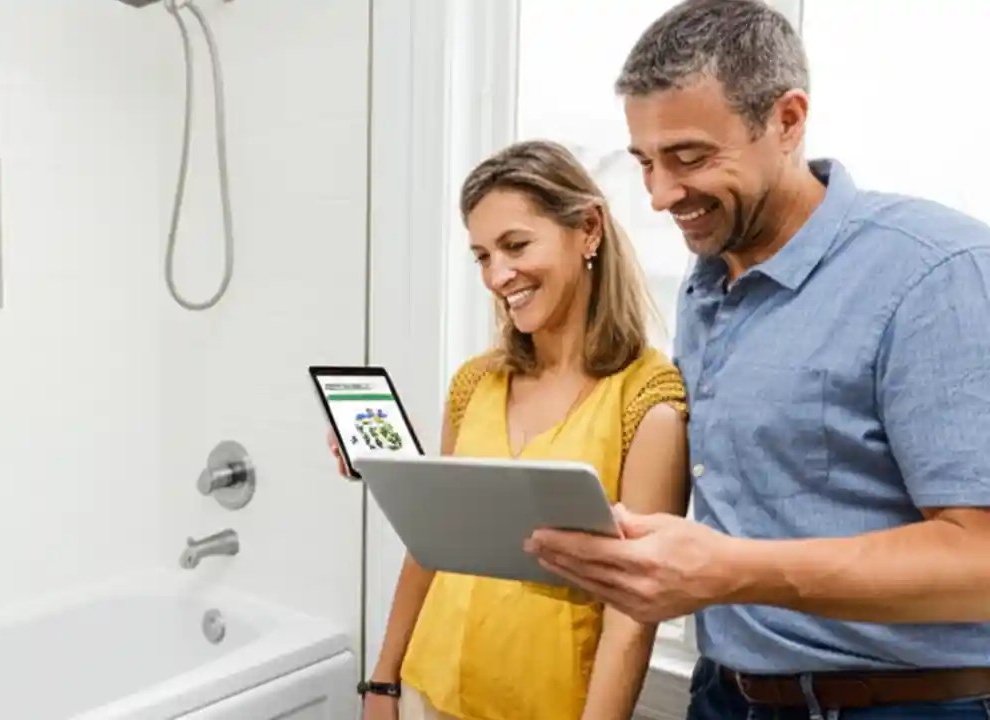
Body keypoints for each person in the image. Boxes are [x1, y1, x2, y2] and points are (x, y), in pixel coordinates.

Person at [523, 2, 990, 719]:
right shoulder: (709, 282)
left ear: (788, 121)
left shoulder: (934, 273)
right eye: (646, 162)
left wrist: (732, 573)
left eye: (689, 157)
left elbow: (980, 564)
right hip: (726, 696)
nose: (659, 195)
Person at [330, 139, 690, 720]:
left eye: (516, 245)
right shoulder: (475, 383)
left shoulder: (646, 399)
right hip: (432, 692)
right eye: (481, 256)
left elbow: (632, 617)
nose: (498, 275)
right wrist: (383, 683)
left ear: (588, 229)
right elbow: (431, 544)